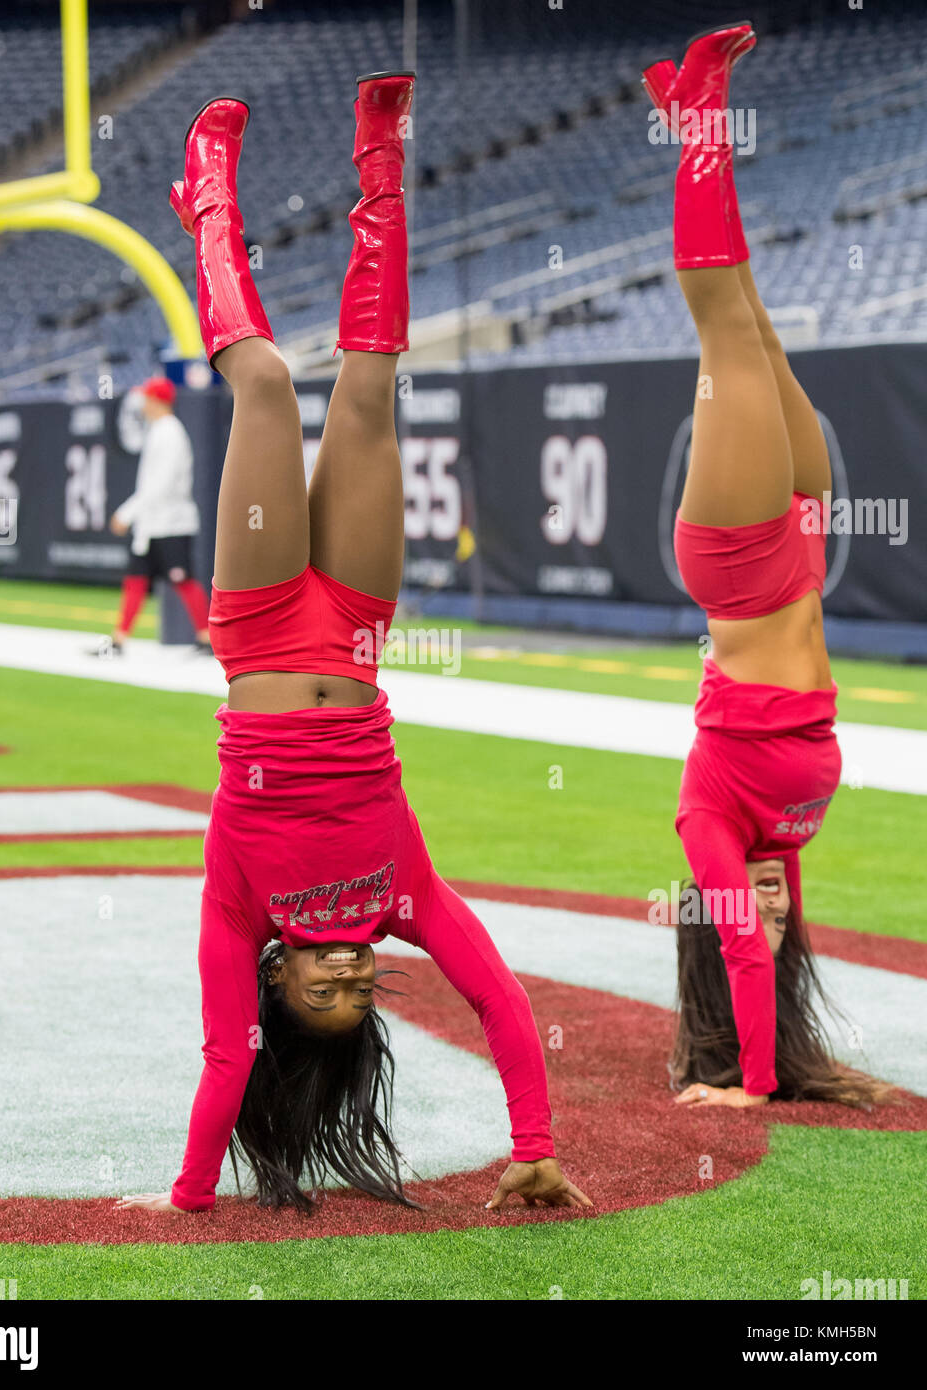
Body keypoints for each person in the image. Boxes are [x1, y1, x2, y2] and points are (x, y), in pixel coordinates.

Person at [117, 77, 592, 1216]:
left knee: (269, 388)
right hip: (361, 634)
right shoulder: (402, 897)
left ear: (279, 983)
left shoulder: (238, 911)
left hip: (264, 626)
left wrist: (186, 1195)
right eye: (359, 987)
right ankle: (378, 155)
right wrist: (530, 1140)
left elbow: (225, 1062)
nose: (347, 970)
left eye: (324, 986)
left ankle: (207, 204)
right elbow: (498, 1000)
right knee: (373, 393)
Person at [642, 23, 891, 1110]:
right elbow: (771, 942)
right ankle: (680, 116)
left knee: (721, 333)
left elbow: (743, 951)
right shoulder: (781, 854)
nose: (770, 914)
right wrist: (797, 1054)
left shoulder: (710, 830)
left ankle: (699, 109)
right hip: (802, 550)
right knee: (761, 331)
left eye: (756, 913)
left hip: (741, 565)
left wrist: (748, 1085)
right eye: (782, 917)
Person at [98, 377, 211, 654]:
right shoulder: (160, 431)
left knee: (183, 579)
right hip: (153, 523)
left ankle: (208, 638)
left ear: (156, 400)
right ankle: (119, 639)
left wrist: (127, 513)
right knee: (136, 578)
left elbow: (160, 485)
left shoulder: (170, 432)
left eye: (147, 399)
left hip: (171, 523)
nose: (143, 405)